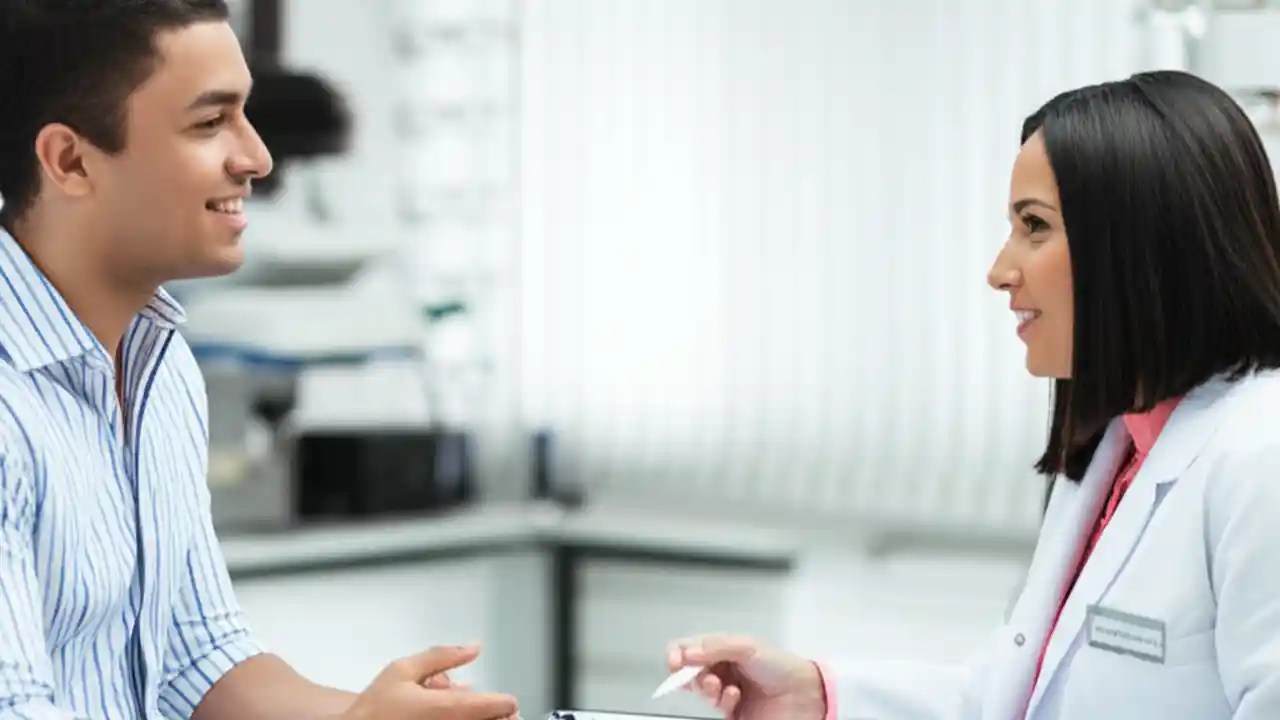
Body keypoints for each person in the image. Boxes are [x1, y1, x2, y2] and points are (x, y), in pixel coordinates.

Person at [665, 70, 1280, 719]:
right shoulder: (1115, 448)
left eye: (1034, 226)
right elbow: (1012, 697)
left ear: (1136, 243)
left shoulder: (1259, 455)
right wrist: (818, 695)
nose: (1000, 270)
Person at [0, 2, 517, 719]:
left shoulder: (162, 366)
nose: (257, 158)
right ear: (71, 161)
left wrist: (365, 718)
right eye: (210, 123)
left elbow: (201, 659)